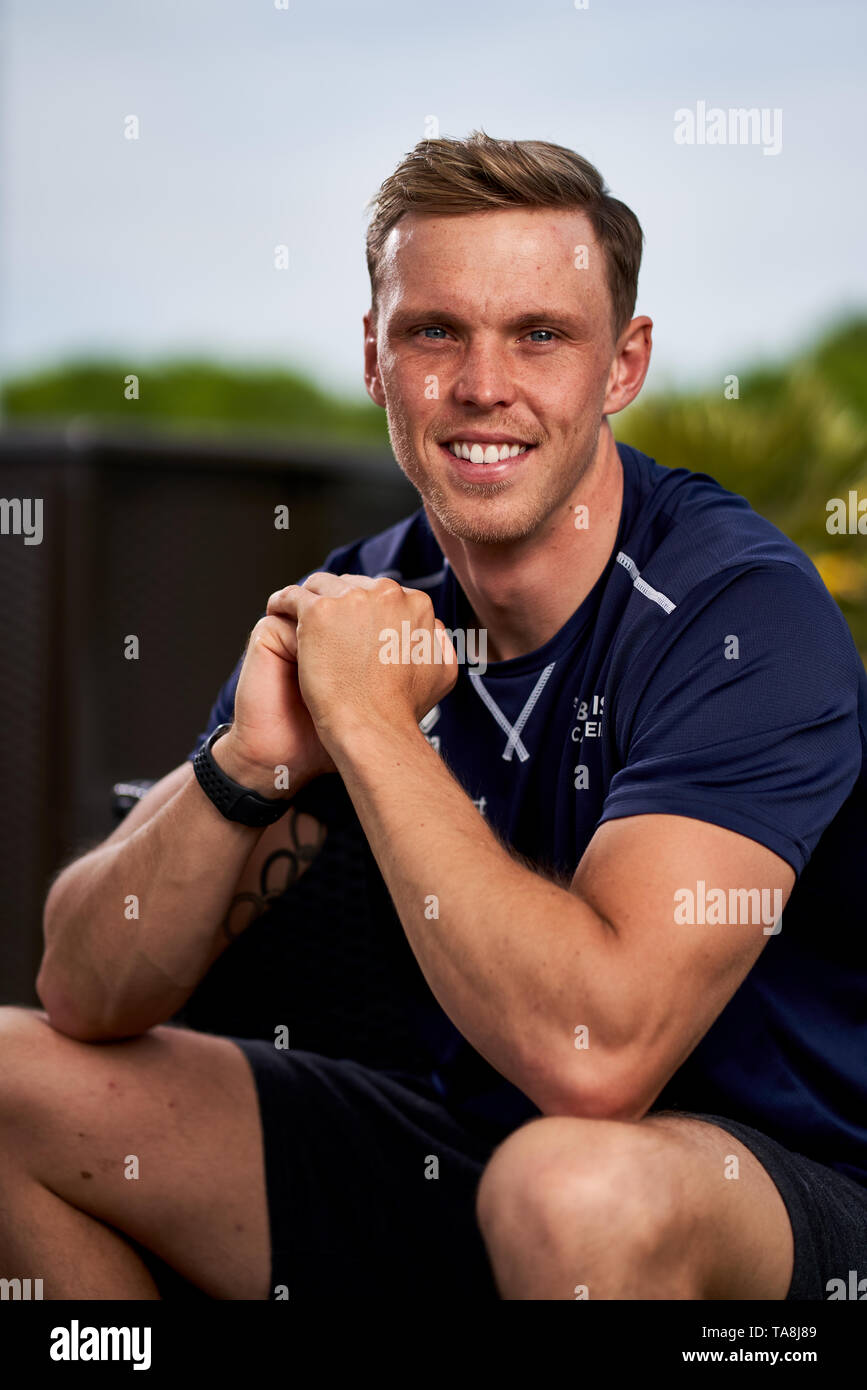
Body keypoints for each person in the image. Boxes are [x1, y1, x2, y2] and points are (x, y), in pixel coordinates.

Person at [6, 132, 866, 1301]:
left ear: (624, 365)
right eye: (434, 331)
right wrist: (248, 763)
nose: (480, 385)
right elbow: (85, 988)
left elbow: (597, 1057)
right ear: (375, 357)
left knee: (569, 1189)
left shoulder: (738, 611)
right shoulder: (364, 596)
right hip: (461, 1150)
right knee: (14, 1087)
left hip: (771, 1202)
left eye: (541, 335)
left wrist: (369, 729)